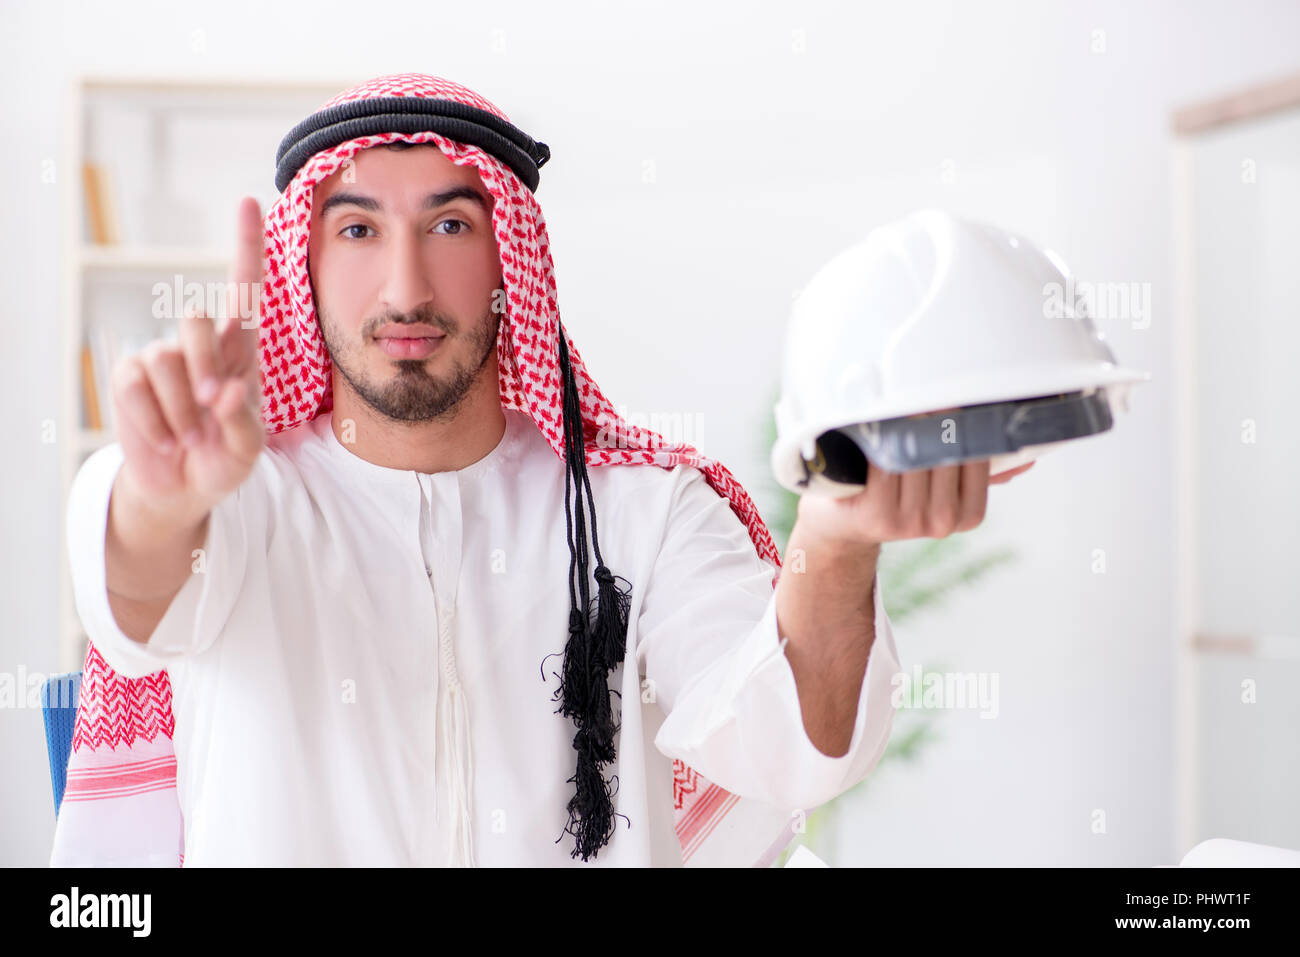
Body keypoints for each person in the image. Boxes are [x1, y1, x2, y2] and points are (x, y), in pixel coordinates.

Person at [56, 74, 1032, 868]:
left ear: (510, 262)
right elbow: (137, 587)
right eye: (357, 231)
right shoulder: (229, 506)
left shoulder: (645, 511)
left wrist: (836, 541)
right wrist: (164, 496)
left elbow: (791, 746)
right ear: (301, 266)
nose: (404, 286)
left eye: (449, 227)